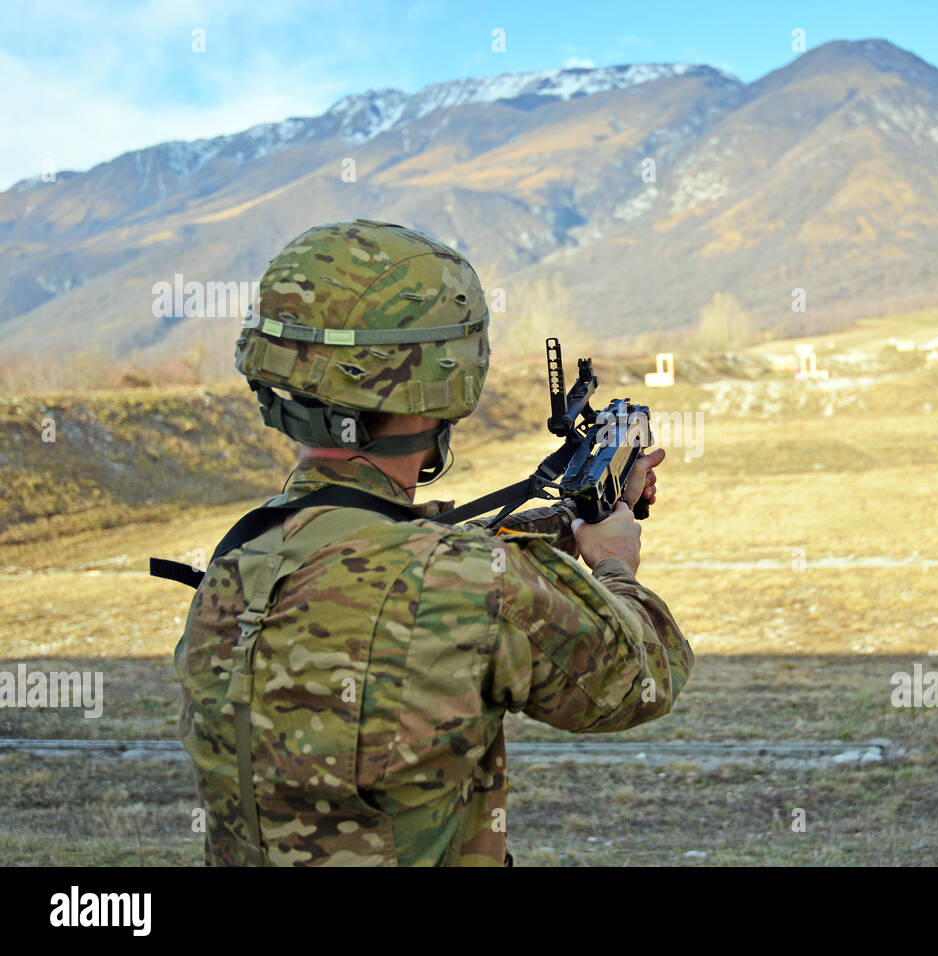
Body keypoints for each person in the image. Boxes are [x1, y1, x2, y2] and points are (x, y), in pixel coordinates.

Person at [172, 219, 693, 866]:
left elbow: (394, 564)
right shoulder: (465, 581)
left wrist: (565, 525)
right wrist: (614, 563)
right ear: (447, 374)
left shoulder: (236, 563)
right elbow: (642, 678)